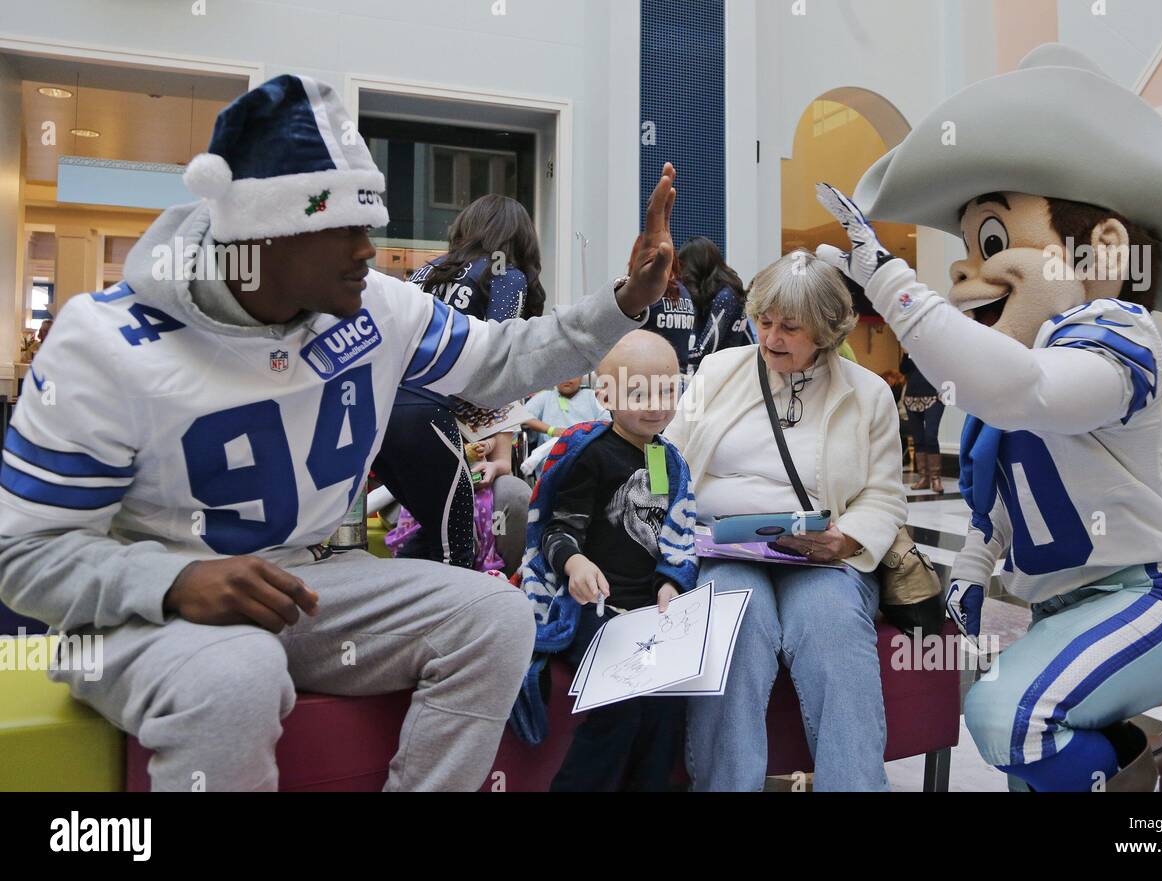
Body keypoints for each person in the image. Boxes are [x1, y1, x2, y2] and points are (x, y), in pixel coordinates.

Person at [0, 74, 681, 792]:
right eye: (344, 228)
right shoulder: (103, 342)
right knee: (238, 673)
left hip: (303, 579)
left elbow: (503, 359)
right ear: (263, 234)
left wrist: (626, 299)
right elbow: (24, 555)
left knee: (497, 616)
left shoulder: (378, 308)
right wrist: (174, 580)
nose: (369, 248)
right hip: (138, 611)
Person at [815, 44, 1162, 792]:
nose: (969, 271)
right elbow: (1004, 499)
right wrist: (967, 573)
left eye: (995, 242)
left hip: (1149, 597)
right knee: (1029, 763)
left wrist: (888, 277)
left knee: (1008, 715)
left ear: (1105, 248)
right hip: (1062, 609)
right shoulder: (1032, 354)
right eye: (968, 248)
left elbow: (1021, 390)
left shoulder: (1117, 335)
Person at [663, 251, 908, 792]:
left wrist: (846, 539)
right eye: (764, 321)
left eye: (790, 327)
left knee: (833, 626)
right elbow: (670, 461)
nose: (772, 337)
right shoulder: (718, 370)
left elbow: (886, 495)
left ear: (826, 330)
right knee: (733, 621)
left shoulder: (868, 395)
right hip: (723, 548)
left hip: (822, 556)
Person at [517, 331, 696, 790]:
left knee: (665, 711)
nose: (656, 404)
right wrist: (575, 565)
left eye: (667, 390)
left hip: (646, 611)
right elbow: (558, 529)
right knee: (617, 705)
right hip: (594, 612)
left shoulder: (667, 460)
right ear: (606, 395)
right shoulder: (589, 455)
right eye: (638, 392)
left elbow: (676, 535)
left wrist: (672, 582)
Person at [370, 194, 541, 569]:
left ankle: (402, 615)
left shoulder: (425, 270)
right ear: (520, 238)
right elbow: (498, 356)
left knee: (433, 530)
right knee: (458, 553)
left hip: (378, 412)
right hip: (427, 414)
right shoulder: (506, 274)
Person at [679, 235, 753, 372]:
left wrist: (670, 358)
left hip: (726, 375)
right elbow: (748, 341)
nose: (682, 275)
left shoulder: (726, 297)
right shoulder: (726, 294)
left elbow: (704, 351)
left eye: (684, 268)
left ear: (697, 267)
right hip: (726, 372)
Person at [900, 351, 945, 491]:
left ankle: (936, 479)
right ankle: (923, 478)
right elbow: (903, 369)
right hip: (912, 397)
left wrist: (949, 397)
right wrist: (907, 353)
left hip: (935, 397)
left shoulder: (937, 349)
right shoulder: (912, 350)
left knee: (931, 436)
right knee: (918, 438)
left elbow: (949, 370)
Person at [521, 376, 607, 441]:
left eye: (573, 375)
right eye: (563, 375)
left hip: (584, 448)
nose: (567, 380)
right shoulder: (546, 395)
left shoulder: (592, 396)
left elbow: (606, 423)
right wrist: (552, 430)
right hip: (550, 452)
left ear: (581, 377)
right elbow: (522, 417)